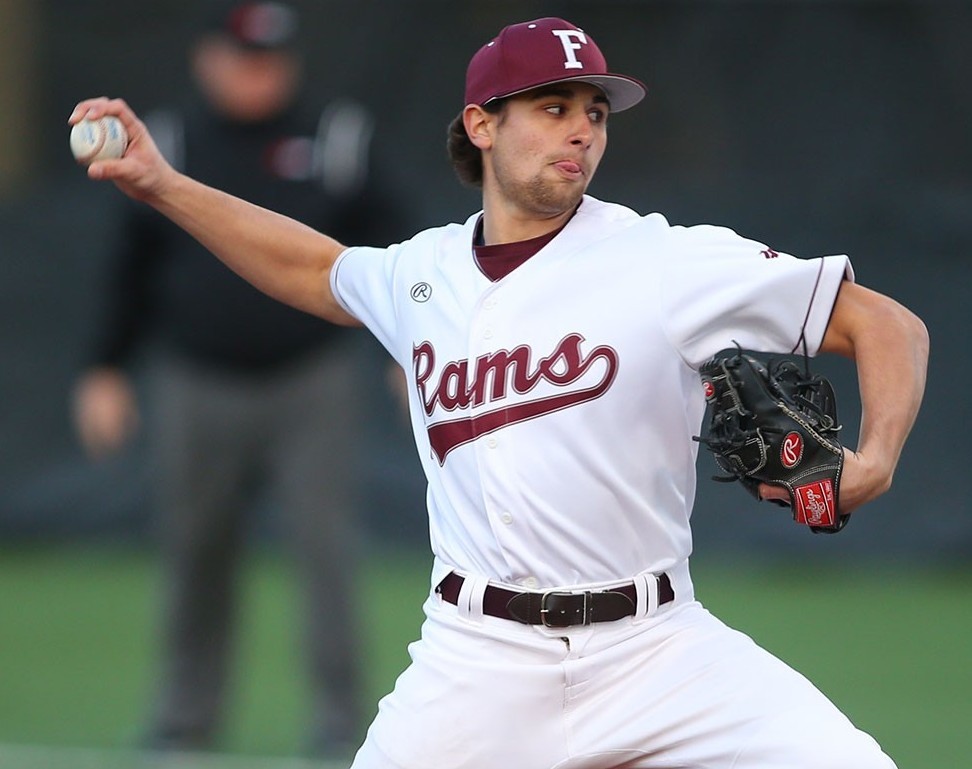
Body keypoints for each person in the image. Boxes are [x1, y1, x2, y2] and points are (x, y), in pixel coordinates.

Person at [70, 15, 929, 769]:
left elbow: (887, 324)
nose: (582, 132)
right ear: (482, 124)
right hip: (477, 656)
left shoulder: (664, 261)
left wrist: (878, 452)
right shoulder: (420, 273)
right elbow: (312, 266)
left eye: (594, 113)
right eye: (553, 108)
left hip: (656, 648)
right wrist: (161, 184)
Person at [70, 0, 407, 758]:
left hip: (309, 381)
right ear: (207, 59)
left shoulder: (335, 137)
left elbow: (395, 255)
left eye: (272, 58)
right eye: (243, 56)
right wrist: (104, 367)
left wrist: (404, 349)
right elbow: (130, 270)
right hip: (198, 380)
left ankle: (342, 722)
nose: (259, 73)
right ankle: (185, 718)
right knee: (195, 552)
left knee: (326, 552)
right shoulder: (172, 142)